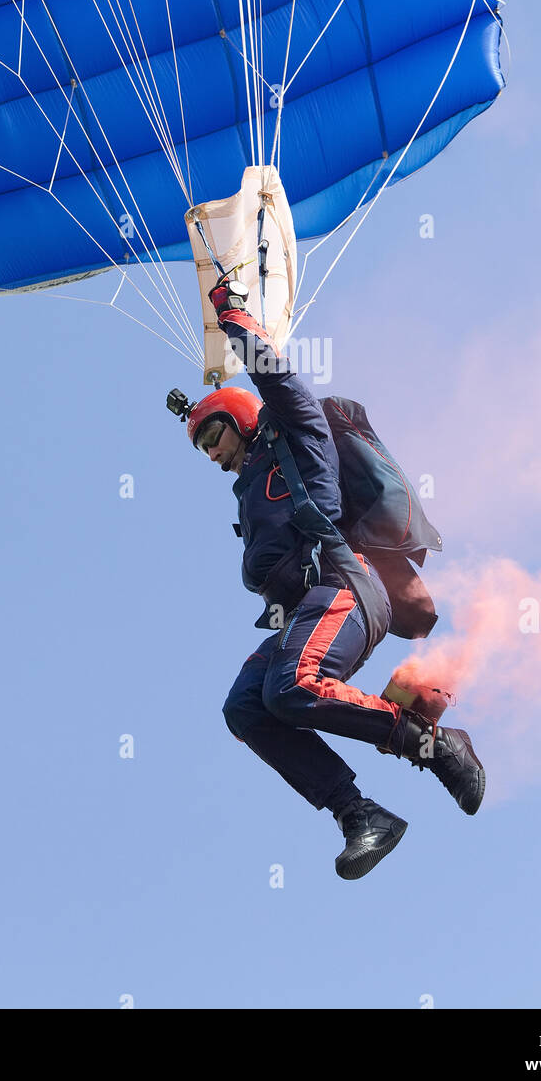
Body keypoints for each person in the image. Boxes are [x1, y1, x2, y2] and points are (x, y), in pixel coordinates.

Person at [177, 274, 485, 880]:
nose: (210, 452)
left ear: (242, 420)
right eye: (201, 447)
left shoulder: (299, 435)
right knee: (246, 707)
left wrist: (236, 320)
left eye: (213, 434)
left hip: (347, 586)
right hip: (308, 611)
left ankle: (434, 746)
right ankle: (358, 814)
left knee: (291, 687)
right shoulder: (250, 500)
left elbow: (278, 379)